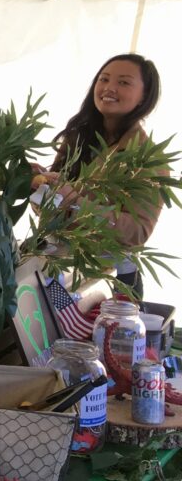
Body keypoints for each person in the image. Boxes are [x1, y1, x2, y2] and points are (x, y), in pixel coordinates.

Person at [45, 53, 164, 298]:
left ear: (144, 96)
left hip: (108, 283)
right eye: (104, 79)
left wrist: (76, 202)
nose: (109, 88)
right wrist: (42, 187)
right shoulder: (79, 136)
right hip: (58, 270)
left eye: (124, 82)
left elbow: (137, 231)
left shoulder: (147, 157)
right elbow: (50, 207)